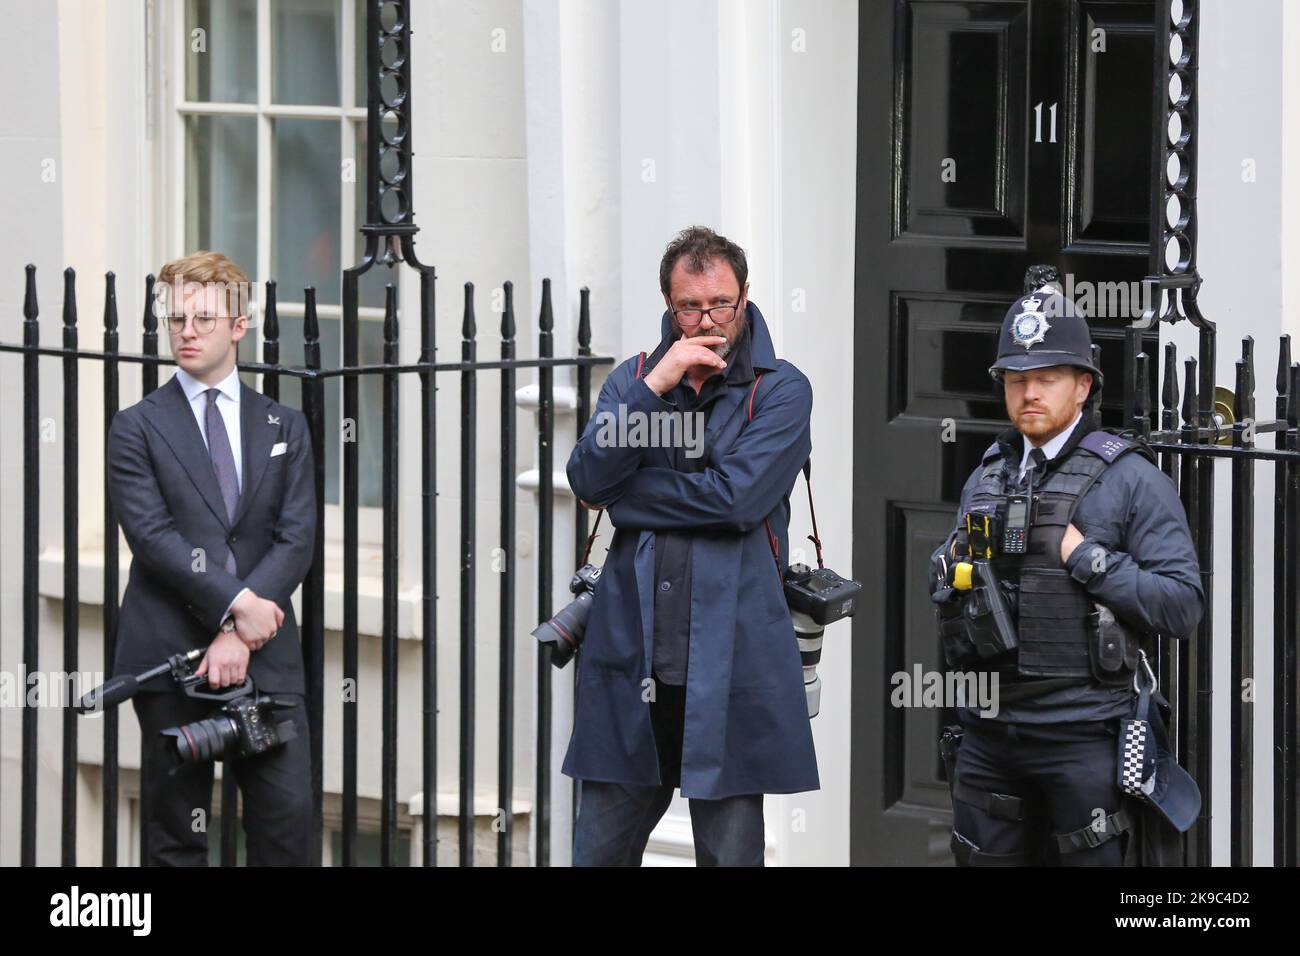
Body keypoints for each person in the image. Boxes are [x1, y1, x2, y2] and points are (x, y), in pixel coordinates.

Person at [930, 269, 1204, 866]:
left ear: (1083, 387)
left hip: (1083, 739)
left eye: (1046, 379)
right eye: (1017, 379)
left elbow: (1182, 604)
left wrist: (1086, 558)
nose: (1029, 393)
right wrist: (950, 571)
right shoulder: (988, 474)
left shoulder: (1132, 479)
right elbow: (954, 587)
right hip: (989, 734)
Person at [563, 226, 819, 866]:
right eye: (690, 307)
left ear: (745, 296)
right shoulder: (635, 382)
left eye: (721, 304)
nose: (709, 320)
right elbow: (588, 478)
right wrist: (653, 387)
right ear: (669, 307)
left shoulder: (782, 390)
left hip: (731, 663)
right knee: (596, 854)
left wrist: (632, 499)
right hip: (633, 659)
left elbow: (736, 500)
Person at [107, 251, 316, 866]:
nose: (186, 331)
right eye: (175, 319)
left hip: (266, 657)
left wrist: (242, 633)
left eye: (201, 318)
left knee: (287, 832)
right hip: (170, 657)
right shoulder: (136, 427)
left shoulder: (285, 424)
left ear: (238, 325)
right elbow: (154, 539)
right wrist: (235, 608)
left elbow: (296, 538)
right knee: (176, 842)